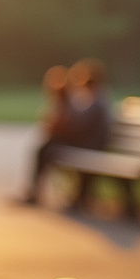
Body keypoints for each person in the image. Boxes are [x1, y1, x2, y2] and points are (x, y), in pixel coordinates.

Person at [23, 58, 111, 207]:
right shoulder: (90, 98)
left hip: (91, 145)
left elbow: (79, 127)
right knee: (47, 147)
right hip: (85, 143)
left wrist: (57, 126)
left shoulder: (96, 100)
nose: (77, 81)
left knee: (46, 147)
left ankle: (34, 192)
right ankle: (34, 192)